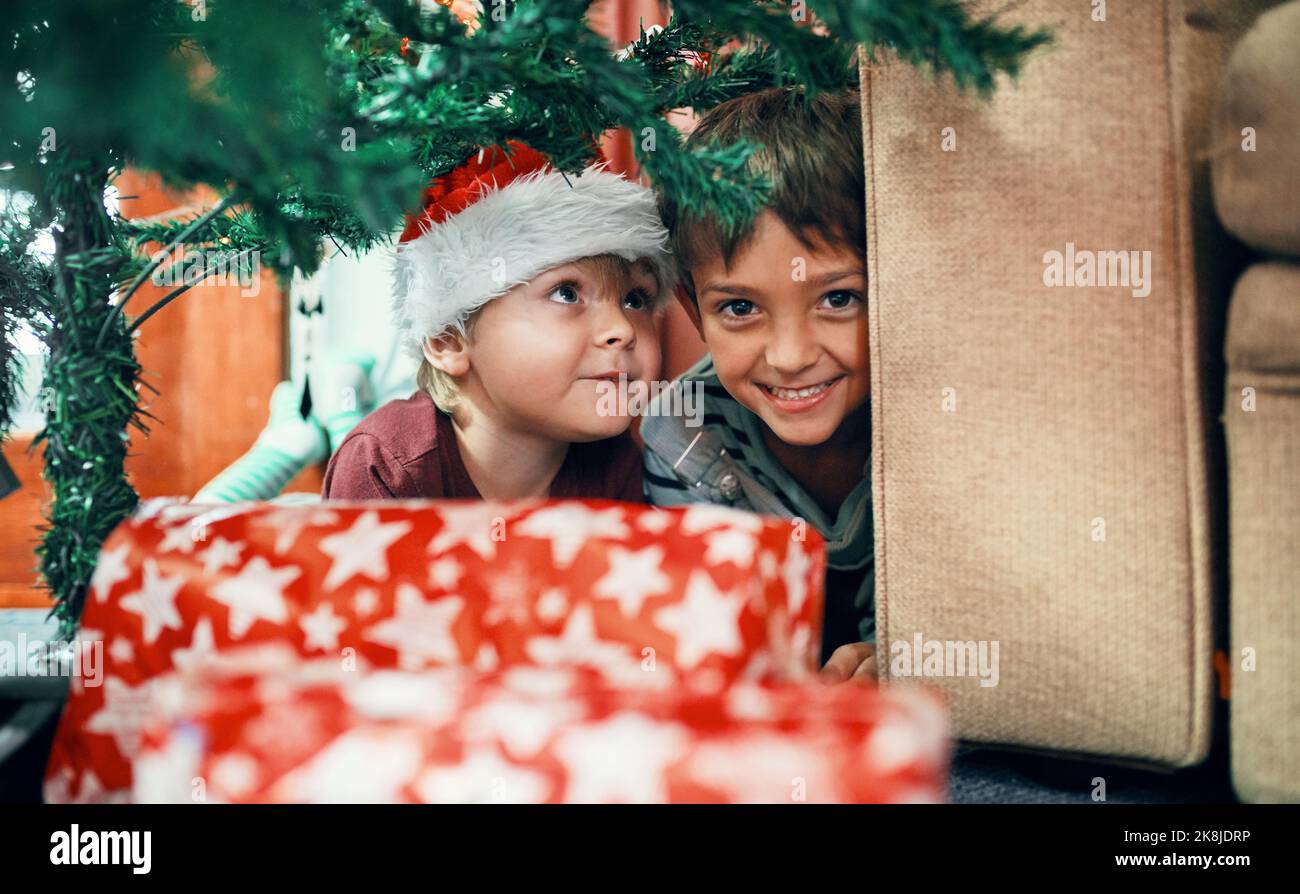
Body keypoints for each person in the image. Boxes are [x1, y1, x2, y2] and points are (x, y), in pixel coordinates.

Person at [641, 88, 876, 681]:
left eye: (838, 298)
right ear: (694, 312)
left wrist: (903, 652)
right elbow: (716, 641)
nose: (791, 356)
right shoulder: (684, 432)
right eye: (741, 308)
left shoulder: (941, 412)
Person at [323, 141, 673, 503]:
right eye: (566, 293)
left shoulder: (614, 461)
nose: (623, 329)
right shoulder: (384, 465)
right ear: (448, 339)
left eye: (635, 299)